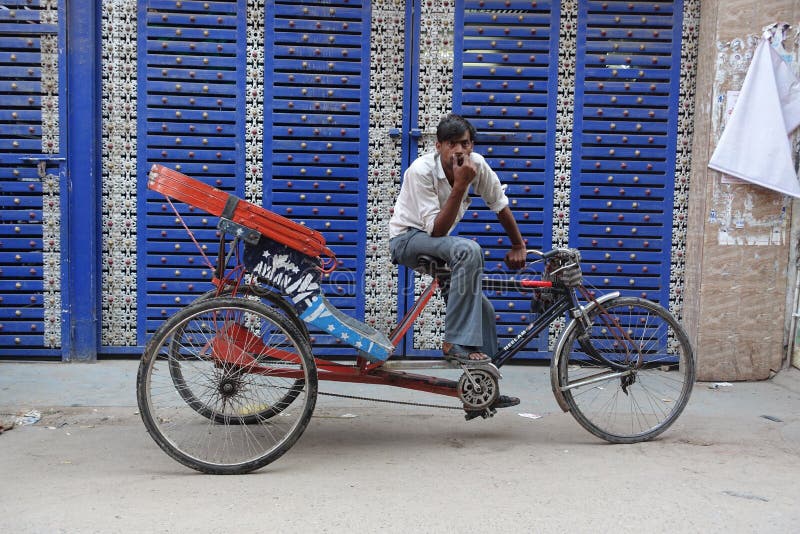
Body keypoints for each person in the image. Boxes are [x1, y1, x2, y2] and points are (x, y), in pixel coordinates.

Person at [389, 114, 527, 366]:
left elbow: (499, 204)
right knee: (468, 250)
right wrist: (461, 185)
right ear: (438, 146)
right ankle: (453, 343)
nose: (458, 150)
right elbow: (436, 231)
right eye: (451, 144)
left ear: (471, 145)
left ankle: (485, 383)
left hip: (436, 245)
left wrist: (518, 245)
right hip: (406, 240)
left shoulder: (477, 165)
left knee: (483, 309)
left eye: (464, 143)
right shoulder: (421, 170)